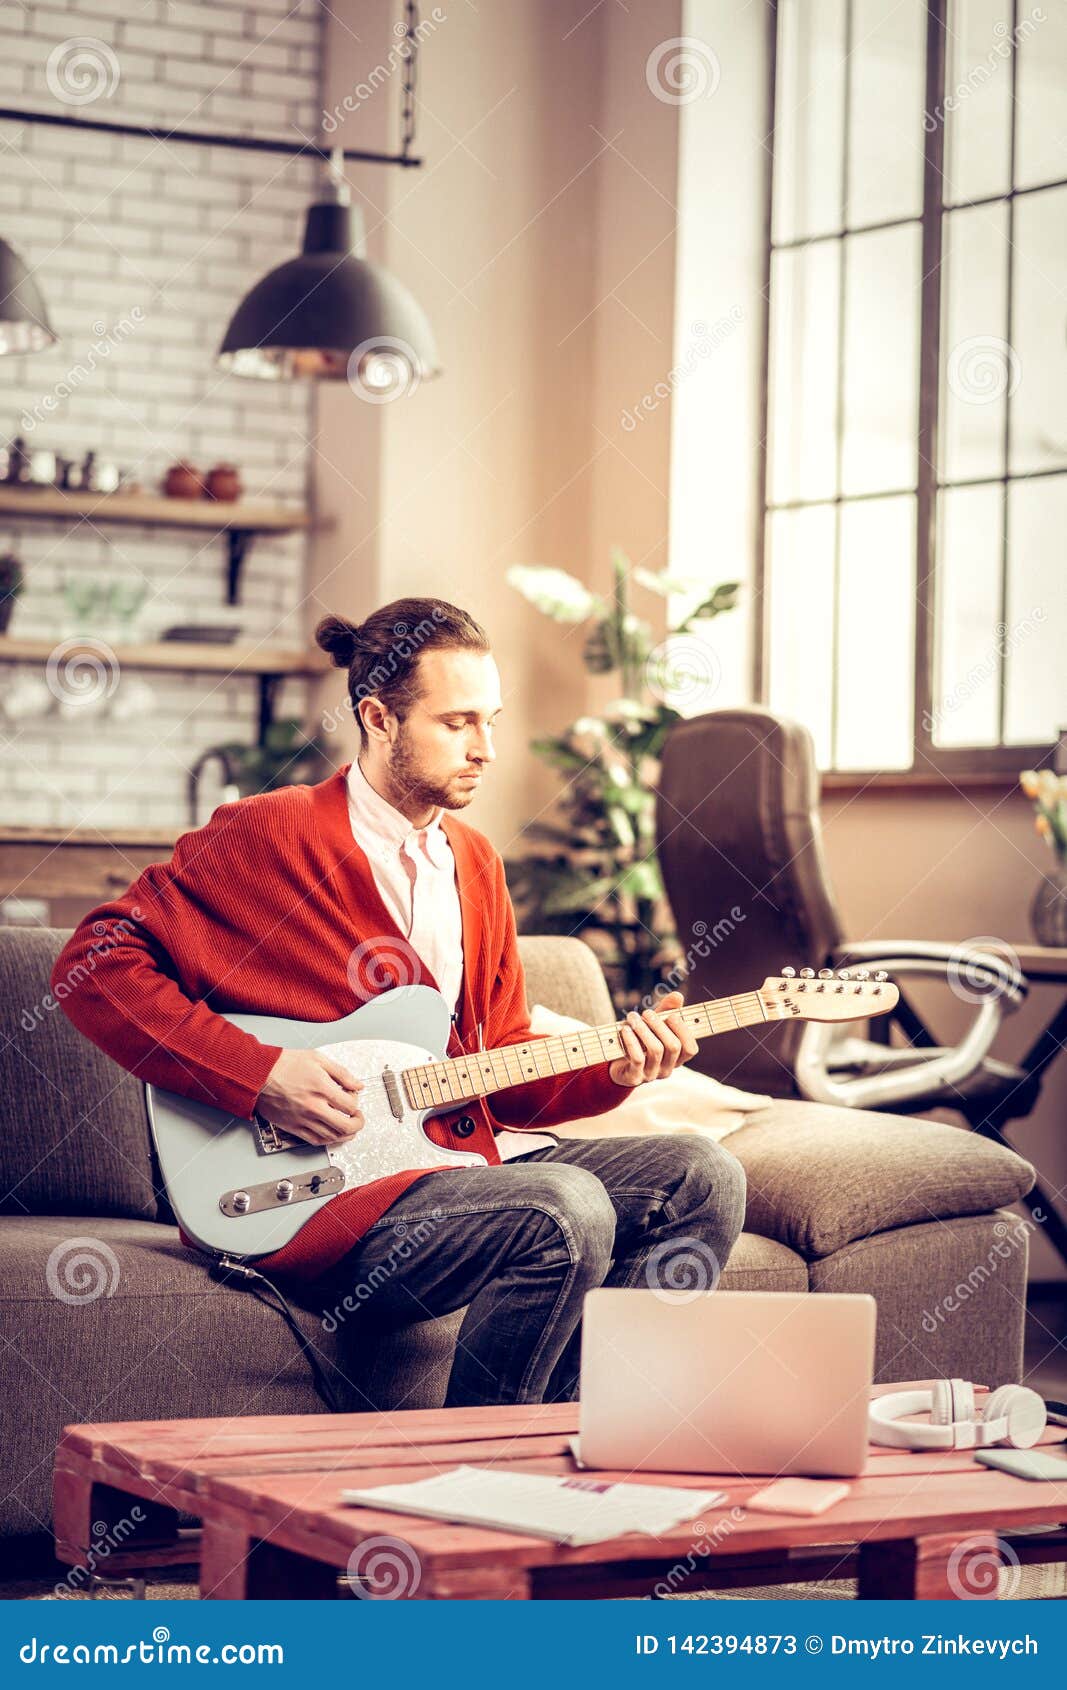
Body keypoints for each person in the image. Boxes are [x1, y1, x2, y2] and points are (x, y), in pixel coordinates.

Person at [52, 597, 746, 1406]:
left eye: (490, 720)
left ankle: (577, 1443)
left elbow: (502, 1071)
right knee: (562, 1206)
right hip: (317, 1201)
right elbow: (96, 961)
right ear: (377, 717)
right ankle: (480, 1478)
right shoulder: (268, 834)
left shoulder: (475, 864)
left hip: (454, 1175)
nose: (486, 749)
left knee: (702, 1175)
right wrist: (260, 1074)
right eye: (457, 723)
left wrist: (622, 1069)